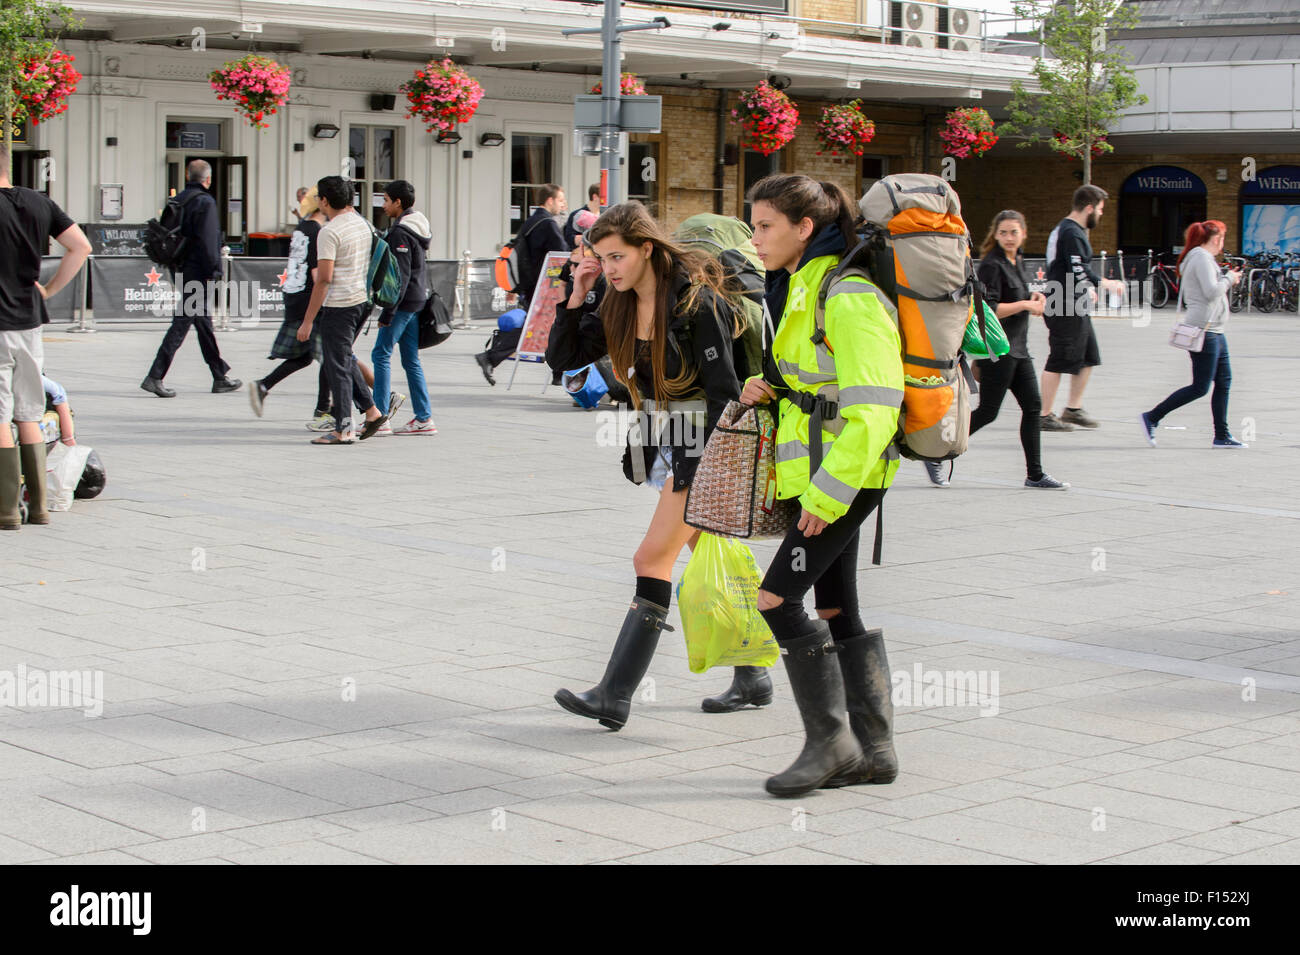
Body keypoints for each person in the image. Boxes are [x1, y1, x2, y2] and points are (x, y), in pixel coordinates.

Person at [548, 200, 765, 731]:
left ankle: (614, 695)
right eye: (602, 258)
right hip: (663, 438)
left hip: (703, 444)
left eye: (618, 256)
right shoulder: (618, 302)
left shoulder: (696, 302)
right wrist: (576, 295)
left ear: (648, 248)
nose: (611, 268)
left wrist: (708, 470)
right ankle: (753, 675)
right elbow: (563, 360)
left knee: (650, 558)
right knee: (705, 553)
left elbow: (723, 395)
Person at [741, 174, 904, 797]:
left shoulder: (847, 292)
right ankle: (876, 751)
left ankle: (831, 741)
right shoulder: (799, 286)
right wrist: (775, 386)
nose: (755, 239)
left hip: (846, 477)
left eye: (765, 226)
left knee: (777, 600)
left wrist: (828, 494)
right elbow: (819, 376)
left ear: (804, 229)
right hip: (819, 470)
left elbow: (876, 406)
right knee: (836, 606)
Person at [927, 210, 1068, 489]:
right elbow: (987, 308)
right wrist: (1026, 305)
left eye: (1014, 232)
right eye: (1003, 232)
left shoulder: (1016, 261)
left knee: (1033, 407)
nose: (1008, 237)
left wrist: (1031, 298)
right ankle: (935, 452)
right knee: (989, 411)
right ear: (995, 234)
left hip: (1019, 350)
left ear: (1023, 233)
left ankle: (1035, 474)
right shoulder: (992, 264)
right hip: (998, 351)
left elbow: (1014, 297)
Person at [1, 144, 92, 530]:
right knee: (29, 410)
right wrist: (50, 290)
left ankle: (6, 510)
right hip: (30, 320)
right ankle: (38, 507)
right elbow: (80, 247)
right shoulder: (38, 202)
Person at [1139, 220, 1246, 449]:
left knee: (1224, 381)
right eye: (1223, 238)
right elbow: (1211, 292)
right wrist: (1230, 278)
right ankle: (1152, 417)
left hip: (1215, 330)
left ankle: (1221, 435)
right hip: (1204, 331)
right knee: (1200, 387)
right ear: (1216, 239)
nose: (1223, 243)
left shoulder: (1201, 257)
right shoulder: (1200, 257)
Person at [297, 175, 387, 445]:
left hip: (340, 303)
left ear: (324, 201)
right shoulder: (361, 224)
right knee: (344, 357)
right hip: (361, 300)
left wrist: (308, 321)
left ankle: (344, 428)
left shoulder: (330, 231)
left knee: (336, 365)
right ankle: (371, 412)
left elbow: (324, 279)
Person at [140, 160, 241, 398]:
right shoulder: (204, 202)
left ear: (188, 175)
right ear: (208, 179)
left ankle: (219, 375)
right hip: (198, 272)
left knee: (202, 321)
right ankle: (155, 375)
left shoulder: (178, 200)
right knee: (183, 321)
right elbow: (208, 241)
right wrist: (214, 271)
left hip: (180, 268)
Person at [1039, 184, 1124, 431]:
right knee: (1059, 358)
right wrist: (1104, 283)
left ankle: (1073, 409)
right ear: (1088, 208)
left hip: (1072, 301)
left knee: (1087, 356)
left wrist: (1087, 289)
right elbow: (1078, 267)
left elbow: (1072, 267)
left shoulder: (1070, 230)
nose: (1101, 214)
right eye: (1099, 209)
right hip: (1062, 303)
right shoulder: (1072, 233)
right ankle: (1044, 415)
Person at [475, 184, 567, 385]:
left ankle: (558, 373)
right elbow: (562, 254)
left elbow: (518, 255)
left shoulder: (530, 222)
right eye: (560, 200)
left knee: (544, 327)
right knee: (549, 327)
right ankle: (559, 373)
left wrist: (514, 288)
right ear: (549, 201)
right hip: (543, 288)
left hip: (529, 286)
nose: (563, 204)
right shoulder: (548, 224)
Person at [250, 186, 329, 418]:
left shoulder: (301, 228)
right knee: (330, 356)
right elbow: (317, 274)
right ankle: (324, 408)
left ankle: (264, 385)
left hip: (294, 295)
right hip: (310, 300)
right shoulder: (317, 232)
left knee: (304, 355)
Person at [369, 179, 435, 436]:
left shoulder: (400, 232)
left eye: (385, 200)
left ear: (398, 202)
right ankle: (423, 418)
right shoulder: (418, 226)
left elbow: (401, 276)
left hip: (405, 303)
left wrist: (388, 311)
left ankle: (380, 417)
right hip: (417, 299)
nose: (382, 205)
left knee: (380, 354)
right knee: (410, 359)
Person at [563, 183, 601, 247]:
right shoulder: (577, 215)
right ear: (595, 197)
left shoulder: (606, 216)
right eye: (604, 197)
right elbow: (569, 239)